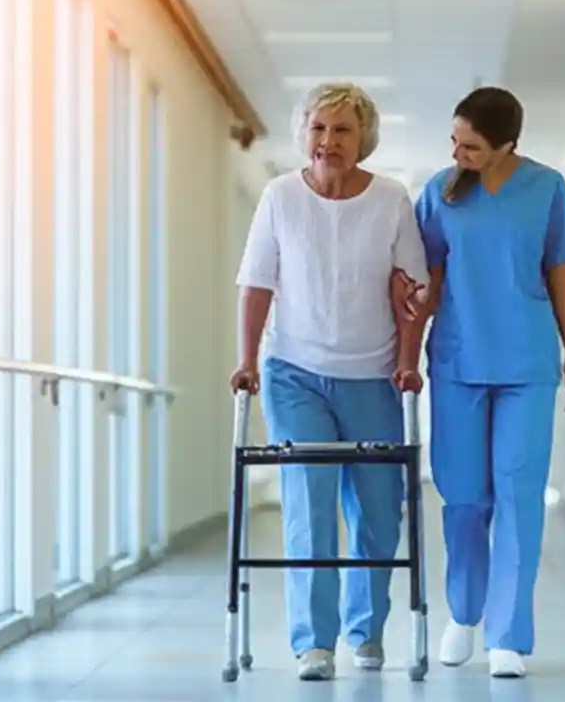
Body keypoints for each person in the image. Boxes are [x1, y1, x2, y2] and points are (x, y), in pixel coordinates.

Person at [230, 82, 429, 681]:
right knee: (308, 506)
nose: (328, 141)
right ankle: (312, 642)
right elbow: (257, 283)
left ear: (362, 138)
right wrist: (246, 360)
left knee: (376, 512)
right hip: (296, 373)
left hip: (373, 374)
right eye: (319, 128)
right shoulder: (280, 197)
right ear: (304, 134)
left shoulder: (391, 199)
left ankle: (365, 631)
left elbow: (412, 293)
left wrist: (408, 361)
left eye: (342, 130)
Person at [402, 86, 565, 679]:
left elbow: (559, 275)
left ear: (508, 144)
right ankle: (465, 613)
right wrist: (406, 353)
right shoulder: (439, 192)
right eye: (454, 141)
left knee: (518, 495)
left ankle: (508, 632)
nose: (458, 152)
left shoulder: (546, 188)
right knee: (463, 498)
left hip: (528, 363)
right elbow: (426, 283)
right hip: (458, 360)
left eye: (472, 146)